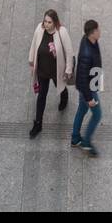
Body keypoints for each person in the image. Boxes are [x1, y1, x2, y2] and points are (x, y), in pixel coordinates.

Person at [28, 10, 74, 139]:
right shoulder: (39, 28)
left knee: (60, 87)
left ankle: (64, 97)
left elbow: (69, 52)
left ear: (55, 22)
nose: (46, 24)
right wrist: (32, 62)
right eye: (45, 21)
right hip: (42, 71)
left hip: (56, 71)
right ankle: (38, 123)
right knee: (41, 96)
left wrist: (68, 69)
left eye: (49, 22)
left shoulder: (62, 32)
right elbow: (33, 45)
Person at [71, 19, 102, 156]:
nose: (100, 31)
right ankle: (86, 143)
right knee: (97, 114)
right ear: (92, 33)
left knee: (82, 110)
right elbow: (83, 78)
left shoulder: (90, 41)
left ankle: (75, 138)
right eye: (98, 30)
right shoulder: (86, 53)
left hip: (91, 83)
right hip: (88, 89)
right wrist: (89, 98)